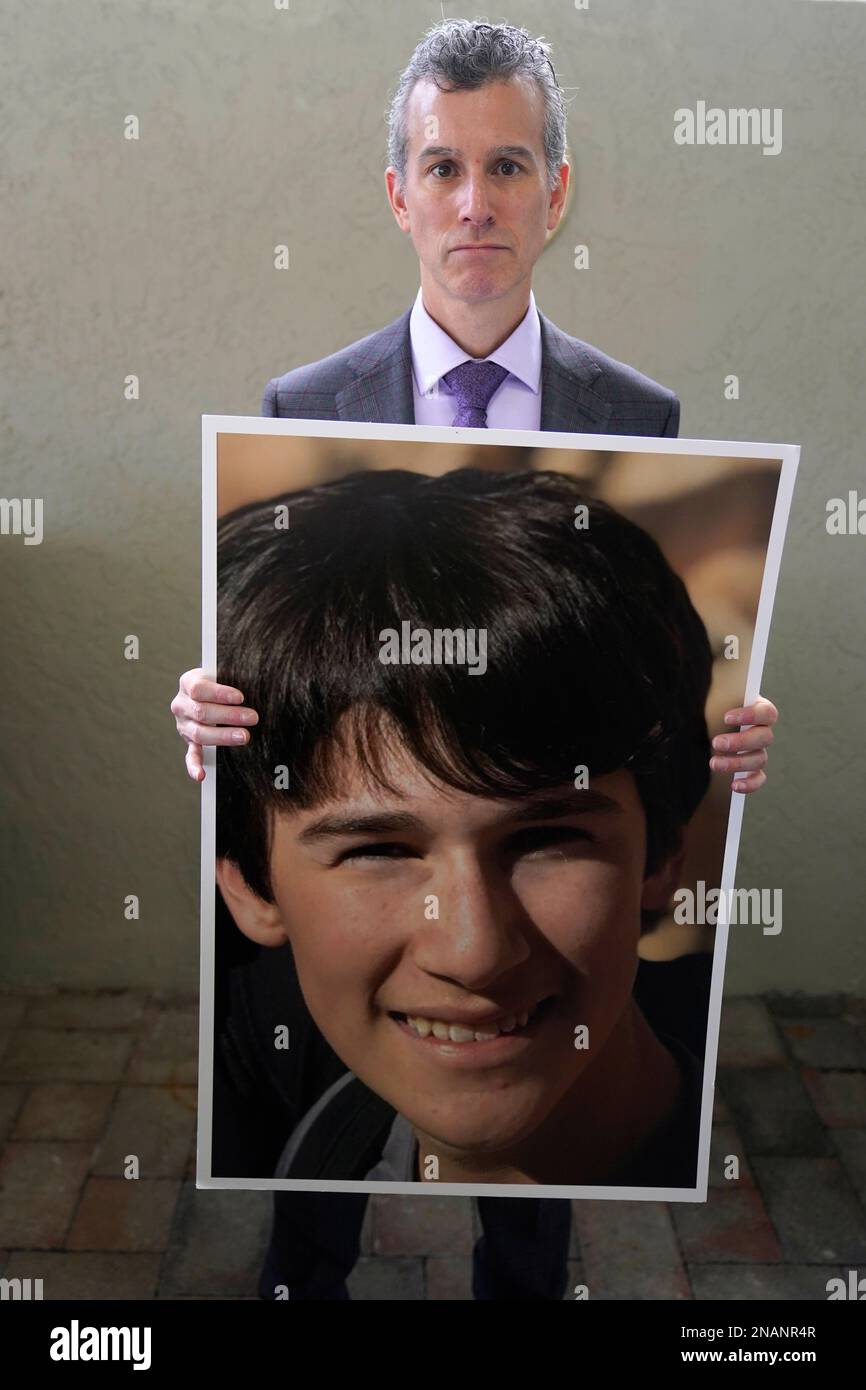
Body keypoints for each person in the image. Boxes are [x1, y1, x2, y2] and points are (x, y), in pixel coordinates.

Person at [171, 19, 777, 1298]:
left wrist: (724, 715)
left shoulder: (636, 415)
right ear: (398, 195)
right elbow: (274, 670)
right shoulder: (301, 409)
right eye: (441, 168)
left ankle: (521, 1273)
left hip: (536, 829)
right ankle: (307, 1267)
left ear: (555, 191)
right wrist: (210, 704)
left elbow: (630, 683)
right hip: (357, 875)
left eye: (506, 167)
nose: (473, 202)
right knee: (309, 1165)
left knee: (534, 1130)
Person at [213, 467, 715, 1199]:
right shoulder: (261, 1076)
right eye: (378, 851)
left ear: (664, 850)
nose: (474, 953)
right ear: (251, 887)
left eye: (545, 840)